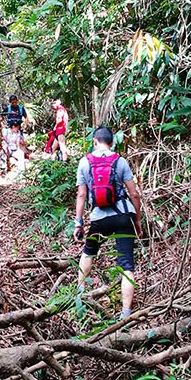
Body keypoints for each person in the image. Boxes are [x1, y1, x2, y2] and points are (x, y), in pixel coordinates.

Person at [73, 126, 144, 320]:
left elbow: (81, 194)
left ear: (94, 142)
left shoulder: (84, 162)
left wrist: (78, 223)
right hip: (123, 216)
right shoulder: (120, 161)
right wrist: (137, 220)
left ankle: (79, 295)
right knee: (126, 264)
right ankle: (126, 313)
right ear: (112, 142)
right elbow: (134, 194)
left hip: (98, 218)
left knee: (88, 253)